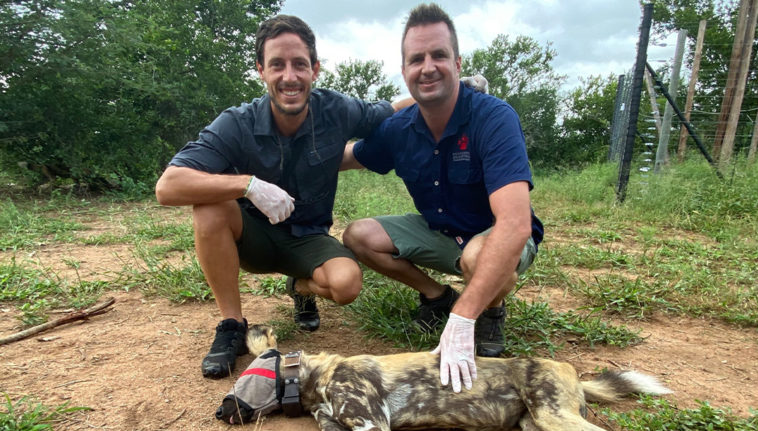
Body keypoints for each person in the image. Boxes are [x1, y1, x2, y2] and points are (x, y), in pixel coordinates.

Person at [155, 14, 409, 379]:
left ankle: (300, 287)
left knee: (346, 284)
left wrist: (454, 85)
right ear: (261, 70)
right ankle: (231, 325)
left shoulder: (336, 110)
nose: (289, 76)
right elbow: (168, 186)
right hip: (254, 237)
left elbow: (389, 112)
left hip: (309, 237)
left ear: (315, 69)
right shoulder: (236, 122)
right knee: (210, 208)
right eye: (277, 65)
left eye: (299, 65)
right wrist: (247, 186)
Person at [341, 3, 544, 393]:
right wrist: (287, 156)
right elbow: (348, 158)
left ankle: (490, 311)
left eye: (439, 55)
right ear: (404, 71)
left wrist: (464, 318)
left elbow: (515, 225)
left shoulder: (494, 118)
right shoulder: (398, 128)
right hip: (441, 230)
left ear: (458, 61)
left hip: (494, 235)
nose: (428, 67)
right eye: (416, 59)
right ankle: (437, 297)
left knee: (477, 256)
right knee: (358, 234)